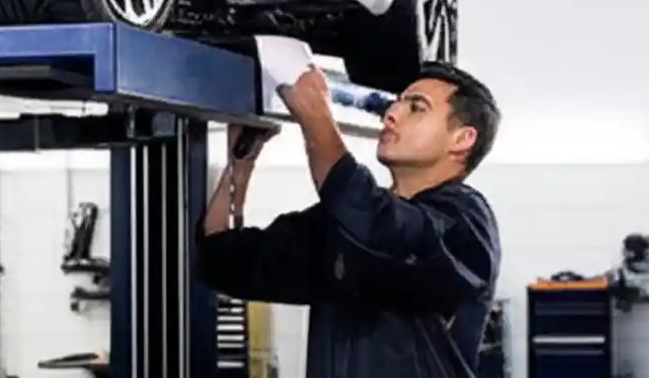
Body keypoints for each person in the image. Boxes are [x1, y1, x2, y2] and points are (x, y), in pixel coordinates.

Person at [195, 61, 503, 377]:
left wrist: (317, 120)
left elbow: (383, 231)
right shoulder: (342, 228)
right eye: (397, 102)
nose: (392, 113)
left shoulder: (465, 222)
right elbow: (224, 262)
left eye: (416, 108)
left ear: (462, 139)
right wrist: (240, 162)